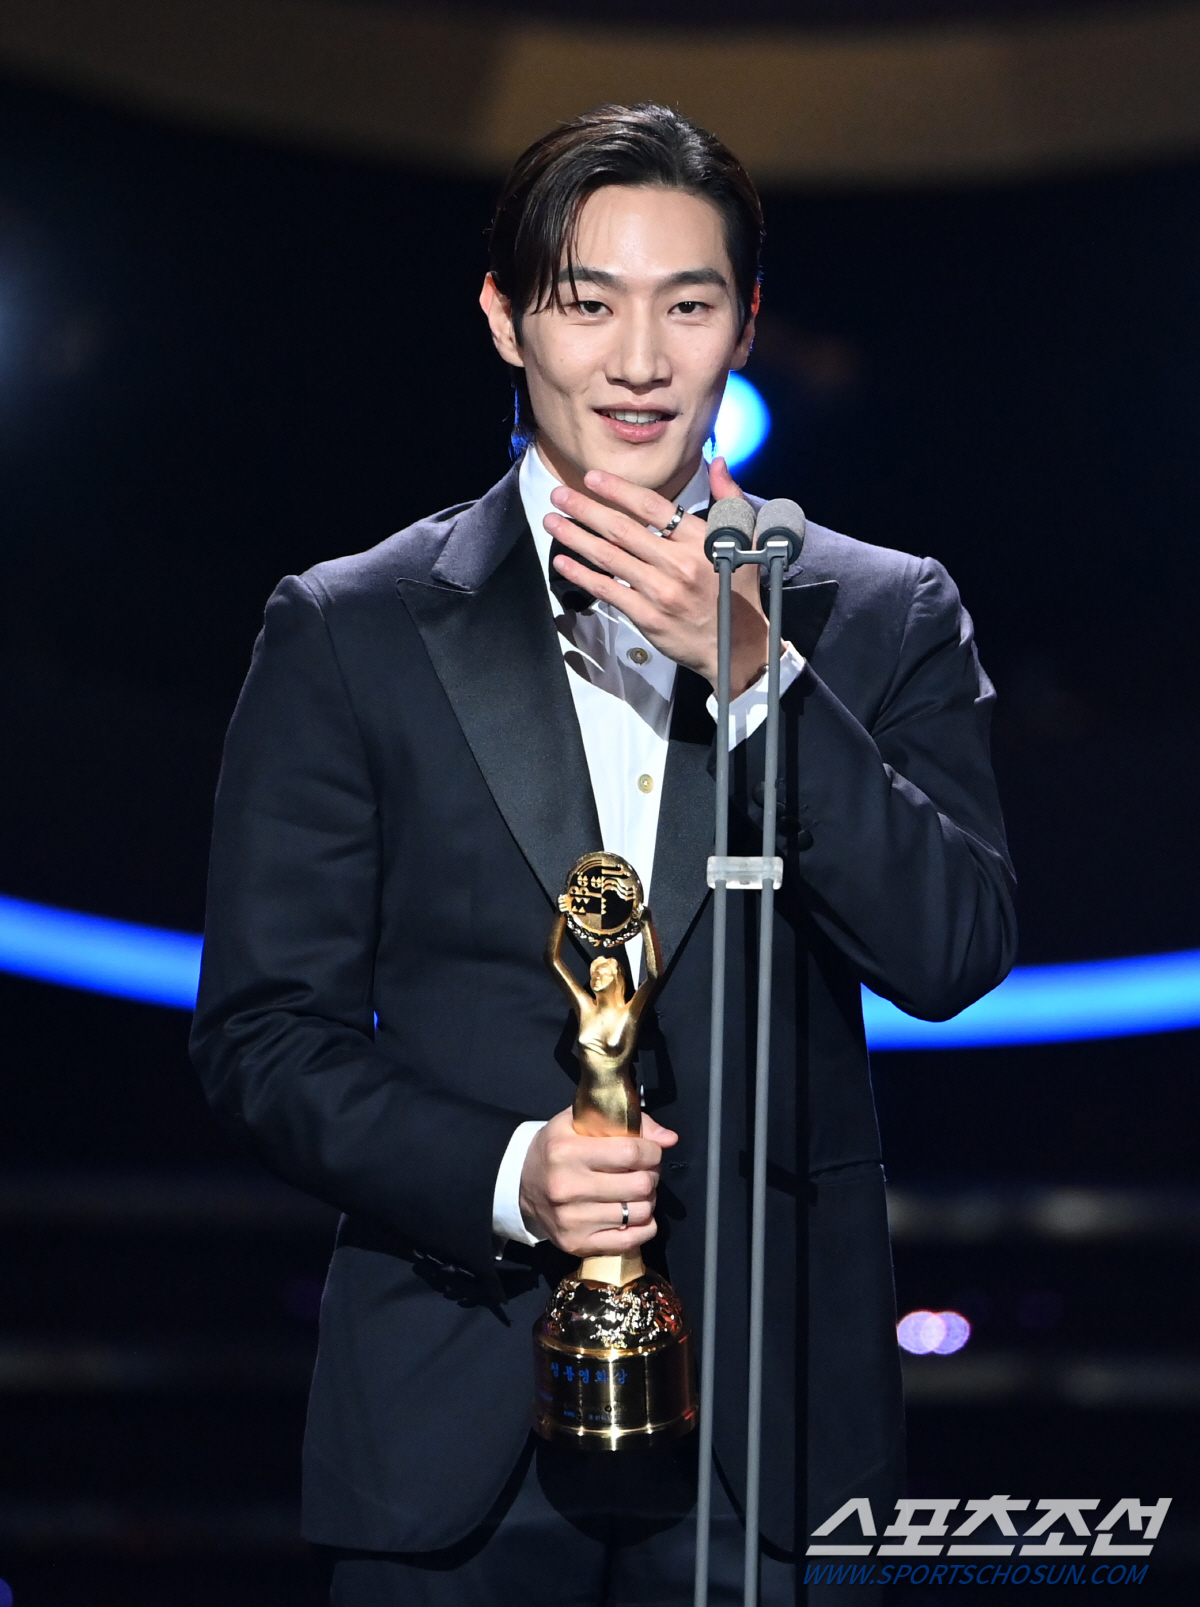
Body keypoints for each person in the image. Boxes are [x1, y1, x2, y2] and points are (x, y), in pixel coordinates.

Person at [191, 103, 1016, 1605]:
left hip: (773, 1438)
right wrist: (511, 1174)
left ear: (745, 324)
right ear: (505, 318)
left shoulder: (882, 614)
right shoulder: (351, 627)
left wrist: (759, 681)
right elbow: (264, 1037)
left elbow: (956, 949)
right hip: (451, 1423)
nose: (639, 360)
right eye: (588, 303)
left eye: (687, 305)